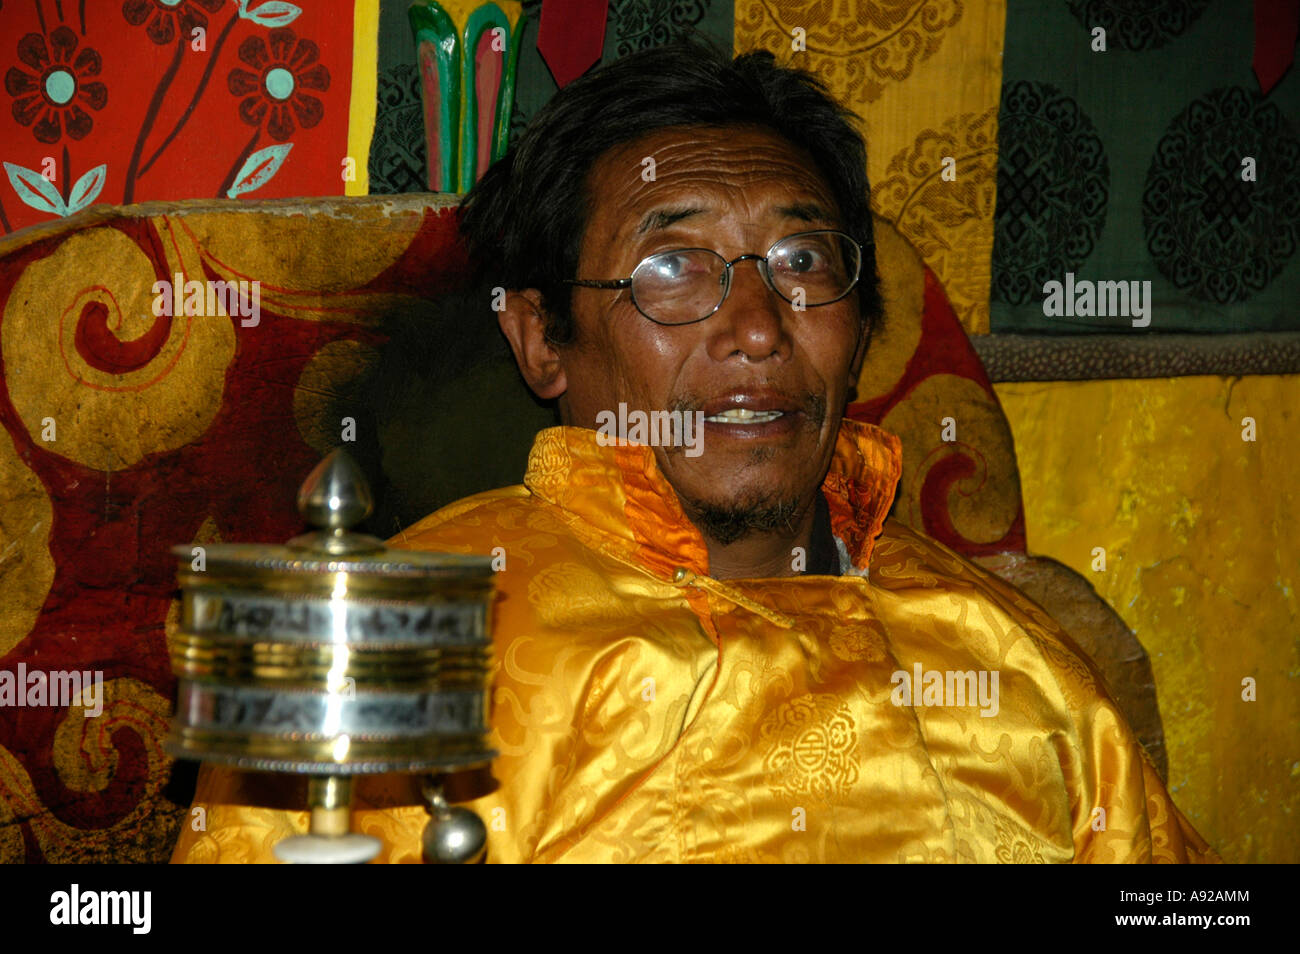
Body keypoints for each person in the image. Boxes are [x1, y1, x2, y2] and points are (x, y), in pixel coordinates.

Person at [172, 39, 1217, 863]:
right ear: (540, 338)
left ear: (856, 330)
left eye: (801, 259)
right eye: (671, 265)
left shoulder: (1013, 656)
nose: (757, 326)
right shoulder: (375, 642)